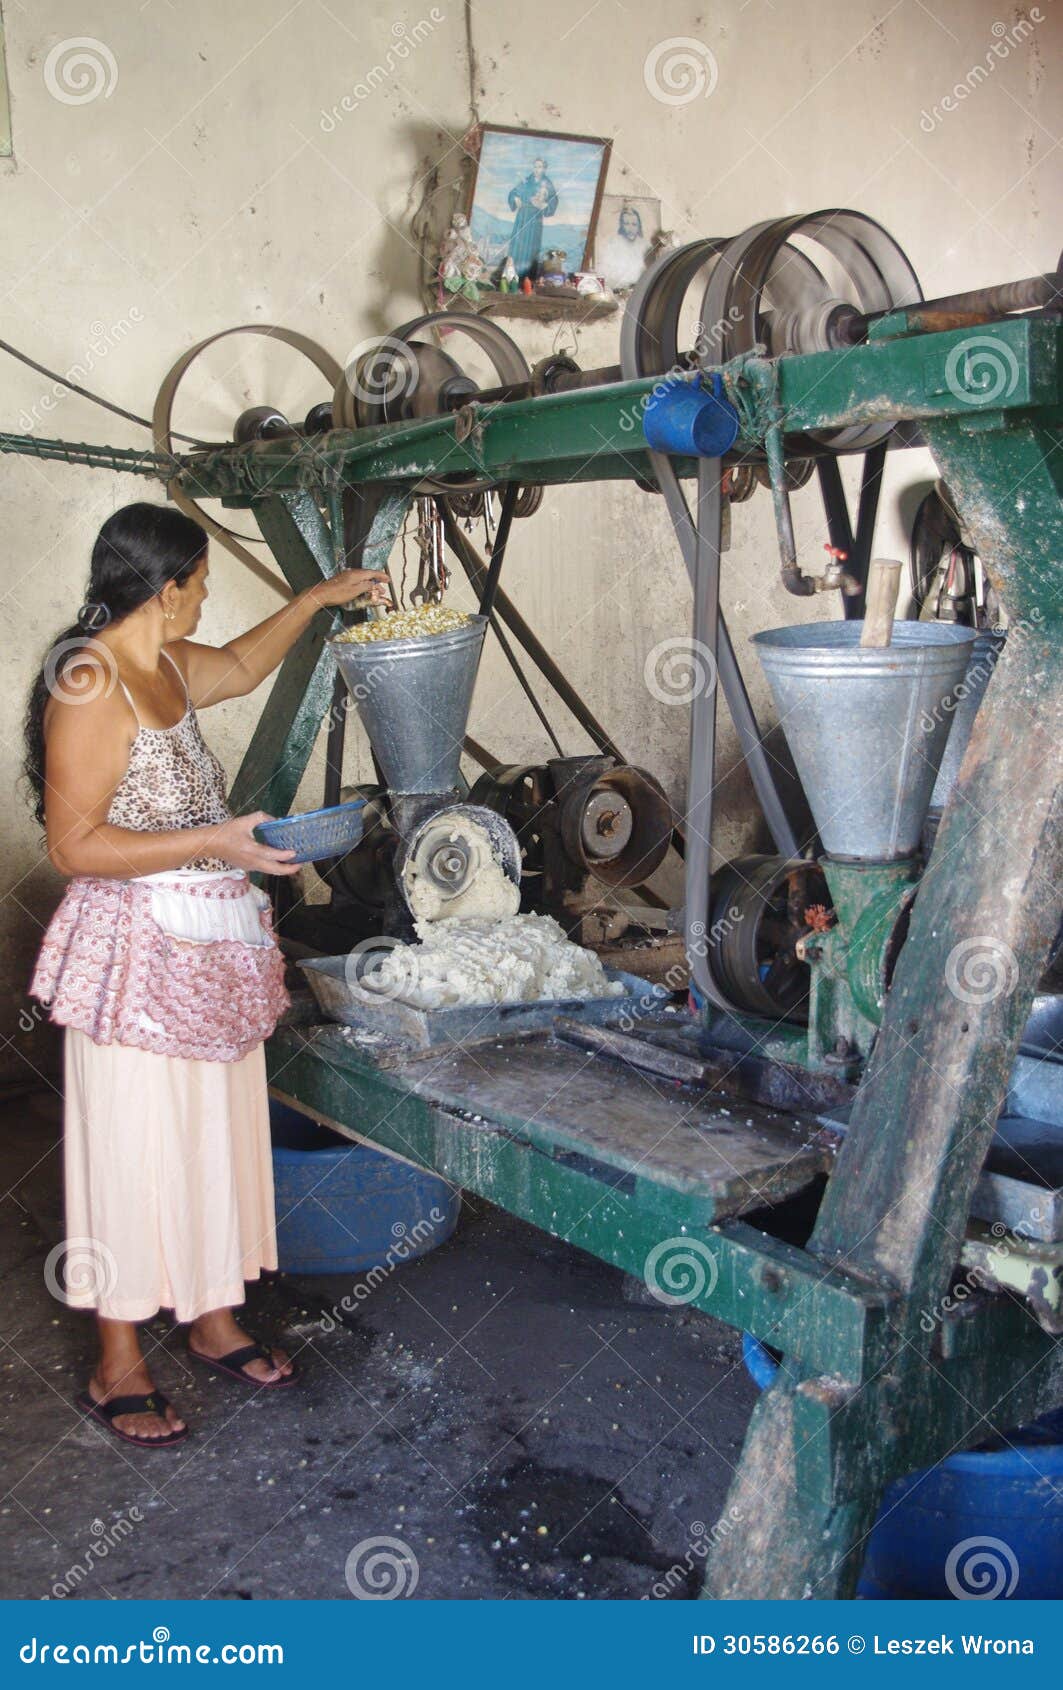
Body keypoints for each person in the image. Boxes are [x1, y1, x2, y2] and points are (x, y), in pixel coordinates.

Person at [24, 503, 391, 1449]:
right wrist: (220, 839)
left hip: (207, 939)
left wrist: (313, 598)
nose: (204, 600)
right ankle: (118, 1364)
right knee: (134, 1149)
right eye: (199, 584)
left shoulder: (169, 664)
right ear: (164, 585)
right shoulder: (90, 678)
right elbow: (74, 845)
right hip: (136, 951)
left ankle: (213, 1315)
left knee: (214, 1134)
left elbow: (241, 664)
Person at [506, 157, 559, 279]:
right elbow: (513, 192)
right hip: (522, 217)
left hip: (535, 219)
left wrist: (544, 205)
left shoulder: (547, 183)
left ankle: (527, 277)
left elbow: (553, 201)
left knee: (531, 247)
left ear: (544, 168)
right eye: (535, 166)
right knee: (517, 245)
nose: (537, 169)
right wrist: (515, 198)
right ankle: (511, 276)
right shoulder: (527, 181)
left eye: (539, 167)